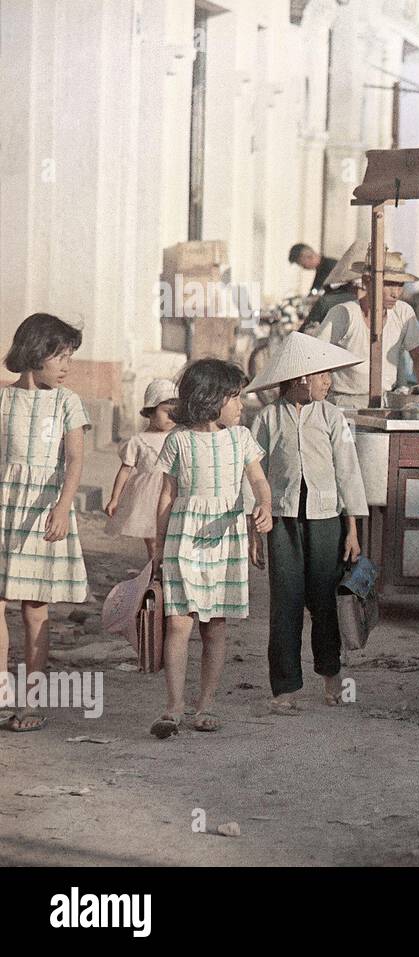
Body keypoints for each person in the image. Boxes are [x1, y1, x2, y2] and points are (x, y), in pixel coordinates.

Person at [150, 360, 273, 738]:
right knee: (178, 623)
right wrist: (158, 548)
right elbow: (167, 497)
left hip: (226, 538)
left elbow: (259, 482)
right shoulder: (179, 441)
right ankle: (174, 706)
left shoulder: (241, 439)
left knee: (214, 626)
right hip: (183, 537)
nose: (241, 406)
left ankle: (205, 706)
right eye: (235, 398)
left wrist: (264, 507)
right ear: (210, 398)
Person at [247, 334, 368, 713]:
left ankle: (333, 679)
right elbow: (254, 474)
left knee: (324, 601)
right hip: (281, 522)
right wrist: (254, 529)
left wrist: (352, 529)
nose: (328, 382)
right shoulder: (266, 418)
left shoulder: (332, 416)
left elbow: (348, 472)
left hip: (326, 520)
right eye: (323, 375)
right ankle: (284, 689)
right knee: (285, 603)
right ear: (301, 378)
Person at [0, 314, 90, 732]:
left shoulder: (67, 401)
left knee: (34, 608)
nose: (66, 365)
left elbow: (75, 460)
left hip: (44, 510)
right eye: (60, 356)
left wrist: (62, 506)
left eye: (70, 356)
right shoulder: (2, 399)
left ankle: (32, 704)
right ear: (35, 353)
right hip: (5, 506)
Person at [311, 247, 419, 408]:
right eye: (389, 284)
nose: (395, 293)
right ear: (368, 281)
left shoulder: (403, 312)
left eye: (400, 285)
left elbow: (418, 356)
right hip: (344, 402)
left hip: (384, 401)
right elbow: (315, 354)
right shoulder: (344, 313)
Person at [105, 379, 178, 564]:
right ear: (150, 411)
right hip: (146, 499)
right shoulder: (139, 440)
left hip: (172, 494)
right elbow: (125, 470)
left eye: (175, 414)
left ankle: (167, 577)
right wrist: (115, 498)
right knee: (153, 543)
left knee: (172, 539)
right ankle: (154, 576)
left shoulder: (178, 437)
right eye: (166, 413)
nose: (171, 418)